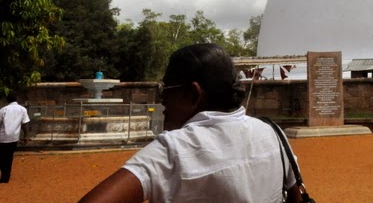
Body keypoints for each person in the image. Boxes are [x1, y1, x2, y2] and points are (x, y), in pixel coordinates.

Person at [79, 43, 305, 203]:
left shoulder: (173, 150)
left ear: (194, 93)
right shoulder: (273, 133)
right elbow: (296, 196)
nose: (162, 99)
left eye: (165, 89)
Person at [0, 92, 30, 184]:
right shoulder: (22, 109)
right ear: (16, 98)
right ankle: (6, 176)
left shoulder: (3, 110)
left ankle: (4, 174)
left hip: (2, 137)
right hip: (14, 138)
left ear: (7, 100)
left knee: (2, 156)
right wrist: (26, 136)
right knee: (9, 157)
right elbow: (25, 124)